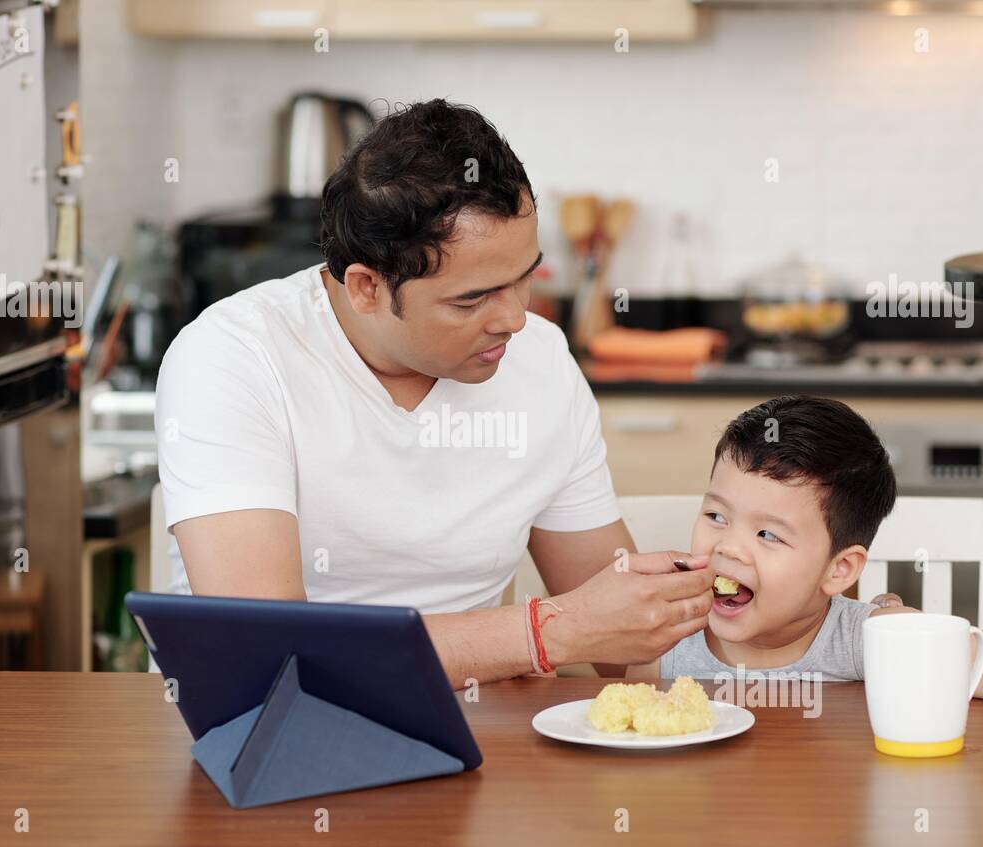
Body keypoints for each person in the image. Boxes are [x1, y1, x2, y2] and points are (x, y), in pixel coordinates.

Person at [154, 98, 716, 686]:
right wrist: (548, 633)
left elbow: (621, 643)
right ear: (367, 287)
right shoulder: (235, 357)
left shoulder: (543, 360)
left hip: (479, 728)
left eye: (524, 279)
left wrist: (773, 606)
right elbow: (266, 655)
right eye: (472, 299)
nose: (515, 320)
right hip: (272, 737)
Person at [664, 395, 983, 727]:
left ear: (838, 570)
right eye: (716, 515)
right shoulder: (664, 633)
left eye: (767, 534)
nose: (729, 547)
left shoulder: (869, 638)